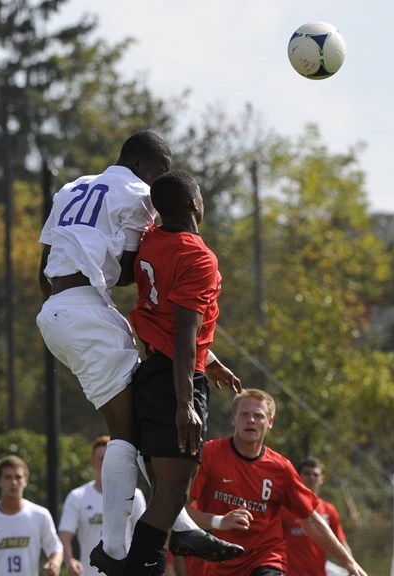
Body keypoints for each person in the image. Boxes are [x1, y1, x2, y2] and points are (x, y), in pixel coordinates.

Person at [36, 132, 241, 574]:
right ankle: (112, 551)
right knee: (128, 431)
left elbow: (45, 265)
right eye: (159, 174)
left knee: (146, 412)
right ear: (148, 166)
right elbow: (132, 268)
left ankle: (179, 523)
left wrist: (64, 314)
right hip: (88, 312)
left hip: (56, 308)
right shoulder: (139, 194)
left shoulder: (71, 188)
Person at [121, 170, 246, 576]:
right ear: (195, 204)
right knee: (172, 491)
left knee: (167, 487)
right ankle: (133, 565)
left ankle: (168, 550)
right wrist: (184, 404)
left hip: (152, 368)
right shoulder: (198, 256)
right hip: (177, 378)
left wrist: (212, 361)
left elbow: (170, 324)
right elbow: (185, 336)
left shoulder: (152, 240)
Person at [182, 388, 367, 576]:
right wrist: (220, 521)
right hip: (220, 562)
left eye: (258, 416)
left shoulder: (281, 468)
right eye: (244, 414)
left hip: (266, 559)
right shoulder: (210, 454)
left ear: (270, 422)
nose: (251, 420)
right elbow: (181, 509)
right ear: (233, 418)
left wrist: (348, 561)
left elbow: (310, 518)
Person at [59, 436, 147, 576]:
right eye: (100, 459)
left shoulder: (135, 495)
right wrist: (69, 560)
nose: (105, 463)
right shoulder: (77, 496)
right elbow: (65, 535)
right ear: (92, 463)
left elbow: (143, 535)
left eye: (109, 458)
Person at [0, 455, 64, 576]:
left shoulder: (40, 515)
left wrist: (54, 563)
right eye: (8, 477)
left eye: (18, 477)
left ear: (25, 481)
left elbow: (55, 548)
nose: (13, 482)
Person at [281, 457, 351, 575]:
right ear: (298, 477)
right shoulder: (285, 509)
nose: (311, 477)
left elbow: (342, 543)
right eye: (307, 473)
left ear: (322, 478)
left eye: (316, 474)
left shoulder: (329, 510)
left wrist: (351, 565)